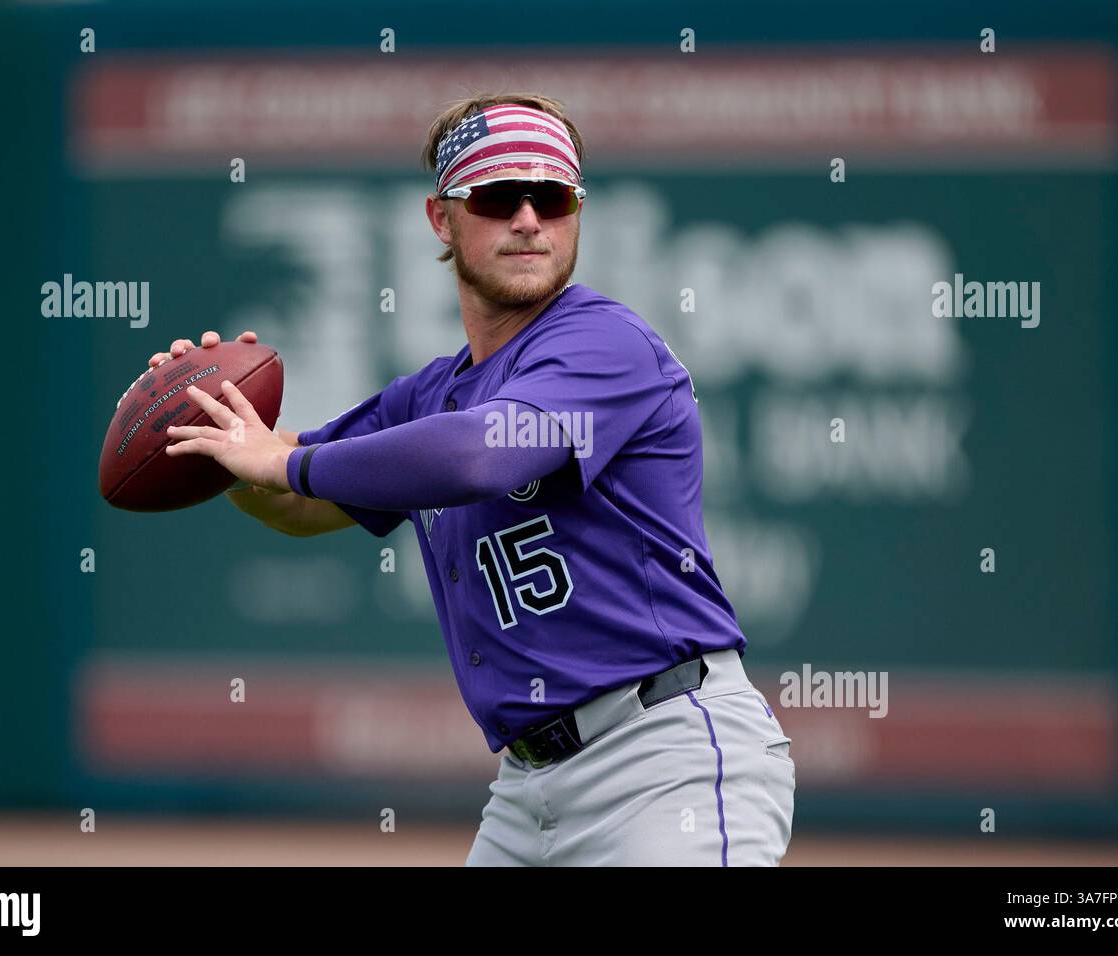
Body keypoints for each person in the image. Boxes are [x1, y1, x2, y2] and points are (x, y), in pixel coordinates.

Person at [147, 93, 794, 866]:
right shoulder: (430, 394)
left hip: (665, 759)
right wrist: (220, 436)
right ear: (441, 218)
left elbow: (482, 454)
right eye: (495, 196)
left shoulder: (606, 342)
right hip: (527, 791)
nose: (528, 218)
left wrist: (283, 457)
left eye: (552, 197)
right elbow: (291, 504)